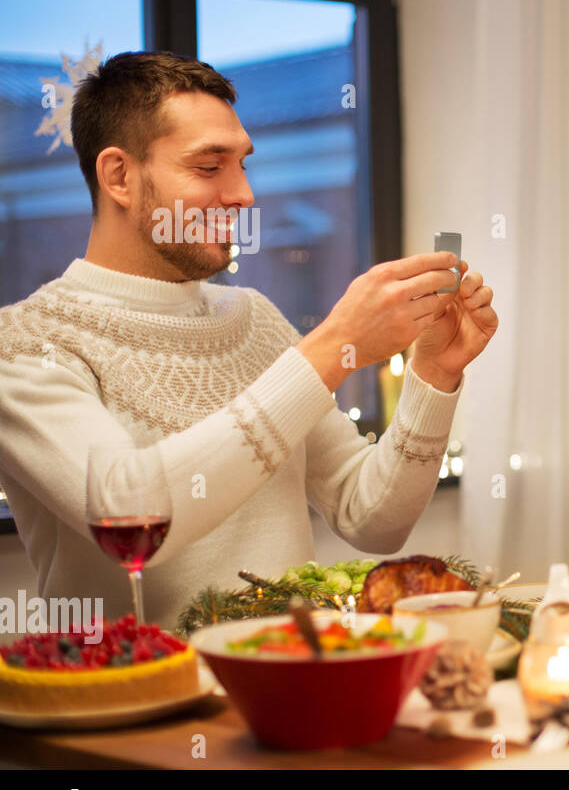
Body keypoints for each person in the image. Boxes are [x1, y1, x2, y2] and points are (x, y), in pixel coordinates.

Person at [0, 51, 498, 628]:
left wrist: (433, 375)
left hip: (293, 684)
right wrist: (334, 343)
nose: (243, 194)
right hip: (133, 705)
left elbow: (373, 519)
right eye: (210, 167)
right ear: (119, 176)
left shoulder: (253, 317)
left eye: (243, 165)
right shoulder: (26, 343)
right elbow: (128, 511)